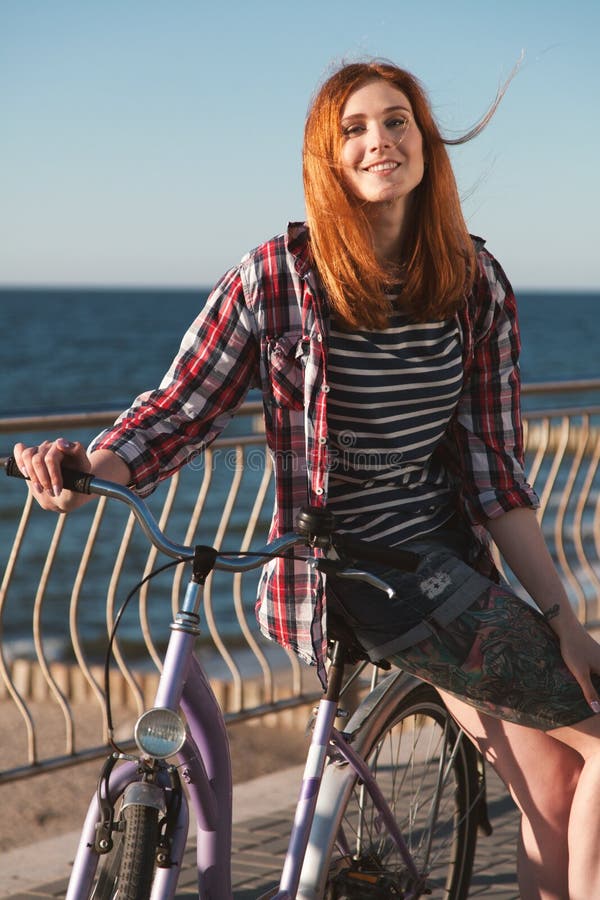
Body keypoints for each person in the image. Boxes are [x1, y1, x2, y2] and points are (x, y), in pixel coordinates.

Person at [14, 60, 600, 899]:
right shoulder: (277, 276)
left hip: (450, 568)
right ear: (326, 157)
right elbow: (182, 408)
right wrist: (86, 470)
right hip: (348, 574)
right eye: (353, 129)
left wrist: (561, 618)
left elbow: (493, 469)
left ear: (425, 142)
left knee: (553, 787)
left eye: (396, 121)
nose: (378, 141)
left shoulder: (474, 284)